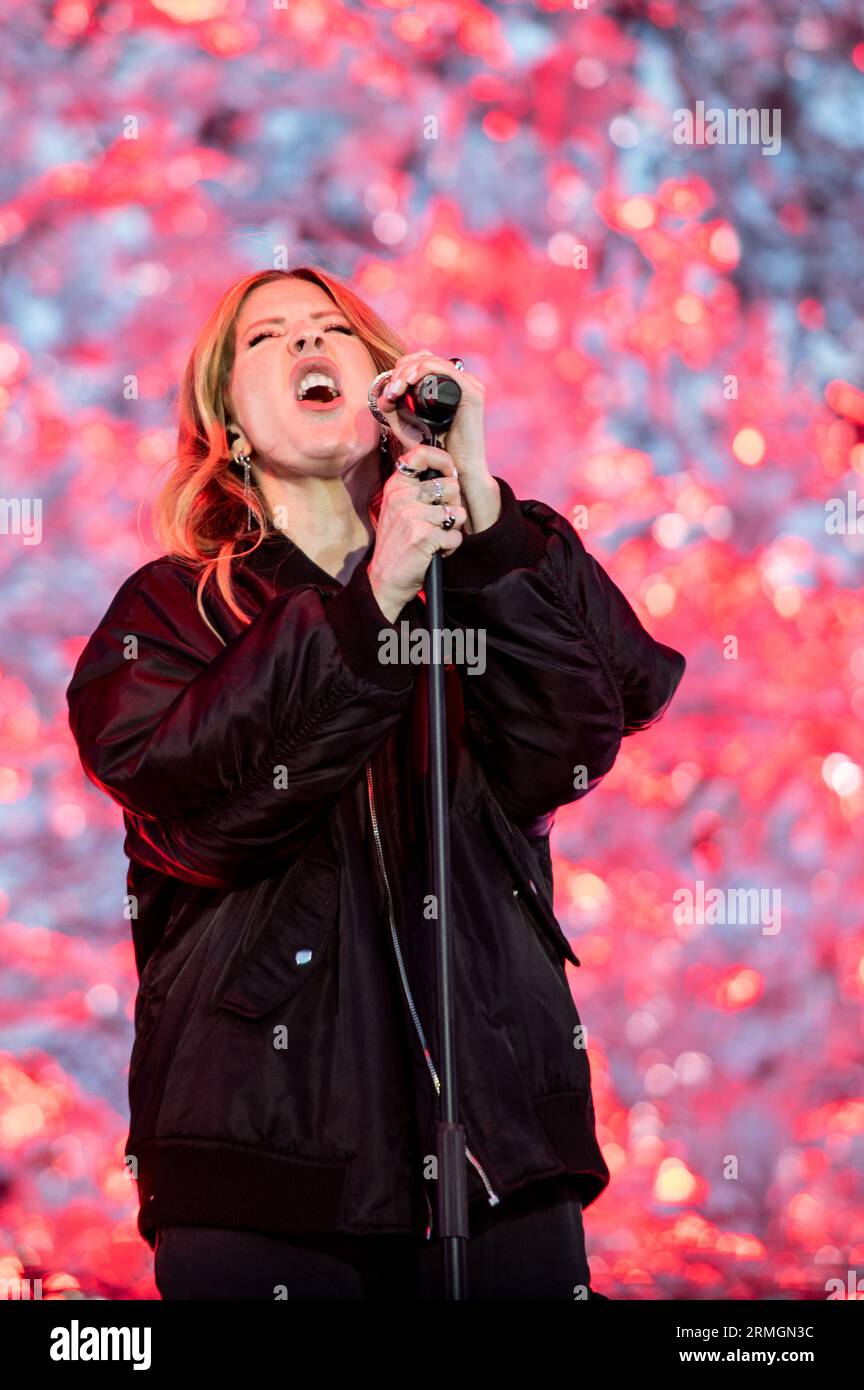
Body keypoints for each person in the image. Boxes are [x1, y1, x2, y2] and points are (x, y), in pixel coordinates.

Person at [66, 265, 686, 1300]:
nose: (308, 345)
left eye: (332, 332)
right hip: (262, 1169)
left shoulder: (472, 574)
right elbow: (192, 799)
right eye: (266, 340)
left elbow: (590, 718)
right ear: (227, 419)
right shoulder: (169, 610)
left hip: (501, 1159)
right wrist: (369, 603)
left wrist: (486, 519)